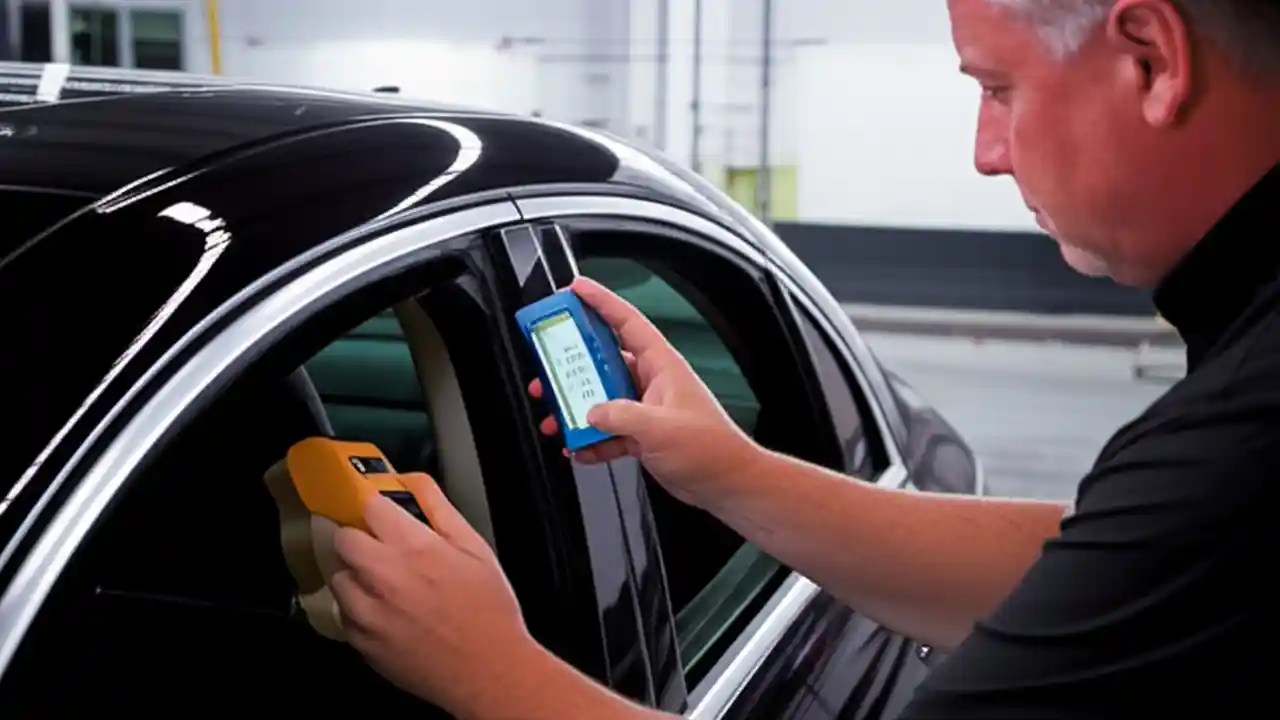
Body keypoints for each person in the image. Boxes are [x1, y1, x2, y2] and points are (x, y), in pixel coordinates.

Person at [327, 0, 1280, 716]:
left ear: (1152, 59)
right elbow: (1109, 566)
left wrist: (486, 670)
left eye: (998, 89)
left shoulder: (1244, 436)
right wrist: (727, 472)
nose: (986, 152)